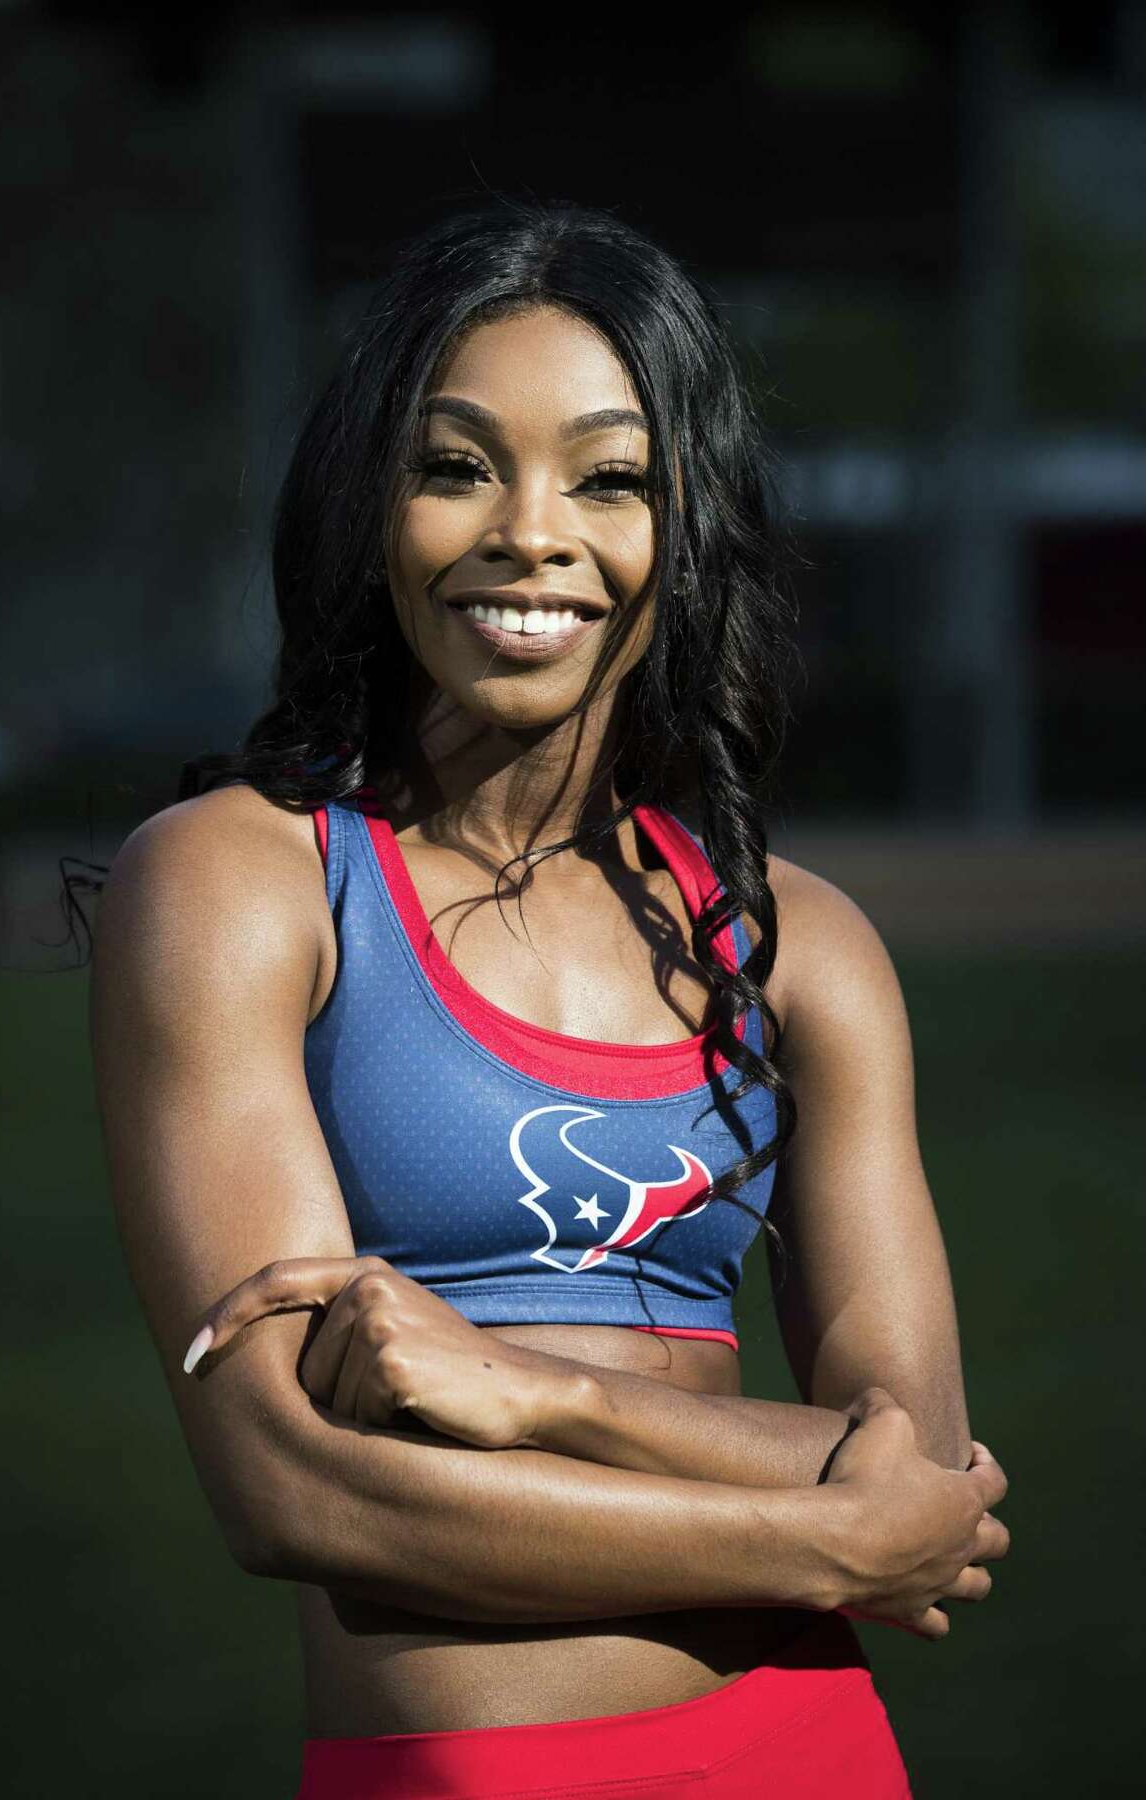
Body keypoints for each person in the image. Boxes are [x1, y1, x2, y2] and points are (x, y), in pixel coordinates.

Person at [88, 200, 1009, 1799]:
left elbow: (925, 1476)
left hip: (810, 1751)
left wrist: (516, 1388)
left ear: (687, 523)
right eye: (455, 466)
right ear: (370, 508)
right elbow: (297, 1492)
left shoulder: (801, 952)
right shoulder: (245, 886)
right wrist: (822, 1529)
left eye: (610, 477)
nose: (529, 530)